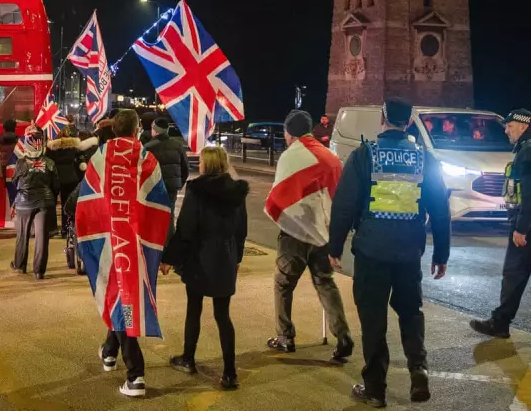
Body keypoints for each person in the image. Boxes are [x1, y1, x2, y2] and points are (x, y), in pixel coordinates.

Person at [328, 98, 450, 407]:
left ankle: (375, 389)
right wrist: (441, 254)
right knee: (411, 312)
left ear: (383, 119)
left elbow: (344, 206)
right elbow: (440, 211)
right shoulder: (426, 159)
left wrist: (334, 247)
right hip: (409, 252)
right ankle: (418, 370)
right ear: (409, 122)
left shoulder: (364, 155)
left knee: (373, 319)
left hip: (371, 251)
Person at [77, 109, 172, 398]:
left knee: (120, 301)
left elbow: (86, 196)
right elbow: (161, 204)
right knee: (121, 299)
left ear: (114, 129)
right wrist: (164, 249)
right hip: (136, 245)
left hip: (106, 242)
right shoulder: (147, 159)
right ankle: (109, 352)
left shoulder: (99, 157)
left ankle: (136, 375)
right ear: (137, 130)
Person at [264, 110, 353, 358]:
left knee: (283, 285)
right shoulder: (331, 158)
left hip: (294, 233)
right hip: (323, 234)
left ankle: (285, 337)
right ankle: (343, 335)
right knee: (326, 283)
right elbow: (337, 198)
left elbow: (280, 196)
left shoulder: (289, 157)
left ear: (288, 132)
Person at [161, 146, 248, 390]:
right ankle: (230, 373)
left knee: (194, 308)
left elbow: (186, 230)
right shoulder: (237, 191)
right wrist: (238, 257)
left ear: (206, 164)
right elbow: (242, 230)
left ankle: (188, 358)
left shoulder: (196, 191)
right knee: (223, 315)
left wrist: (170, 257)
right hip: (226, 256)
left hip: (200, 257)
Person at [471, 109, 531, 339]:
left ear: (524, 126)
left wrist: (521, 227)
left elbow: (529, 193)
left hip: (525, 226)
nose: (506, 130)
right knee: (515, 275)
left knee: (514, 274)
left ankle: (500, 323)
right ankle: (500, 321)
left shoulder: (527, 151)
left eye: (510, 125)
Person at [10, 129, 59, 278]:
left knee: (22, 235)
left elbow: (14, 181)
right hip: (44, 202)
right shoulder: (49, 162)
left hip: (24, 203)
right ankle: (39, 271)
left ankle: (20, 265)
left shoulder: (21, 162)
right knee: (42, 238)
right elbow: (56, 185)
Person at [144, 117, 189, 238]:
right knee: (169, 216)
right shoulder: (178, 146)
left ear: (156, 131)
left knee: (152, 216)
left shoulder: (148, 147)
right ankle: (168, 246)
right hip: (171, 188)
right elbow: (185, 169)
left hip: (153, 188)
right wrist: (177, 184)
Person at [46, 133, 93, 237]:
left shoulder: (50, 148)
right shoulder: (73, 147)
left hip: (56, 178)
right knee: (68, 204)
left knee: (52, 205)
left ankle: (52, 229)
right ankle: (66, 229)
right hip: (71, 178)